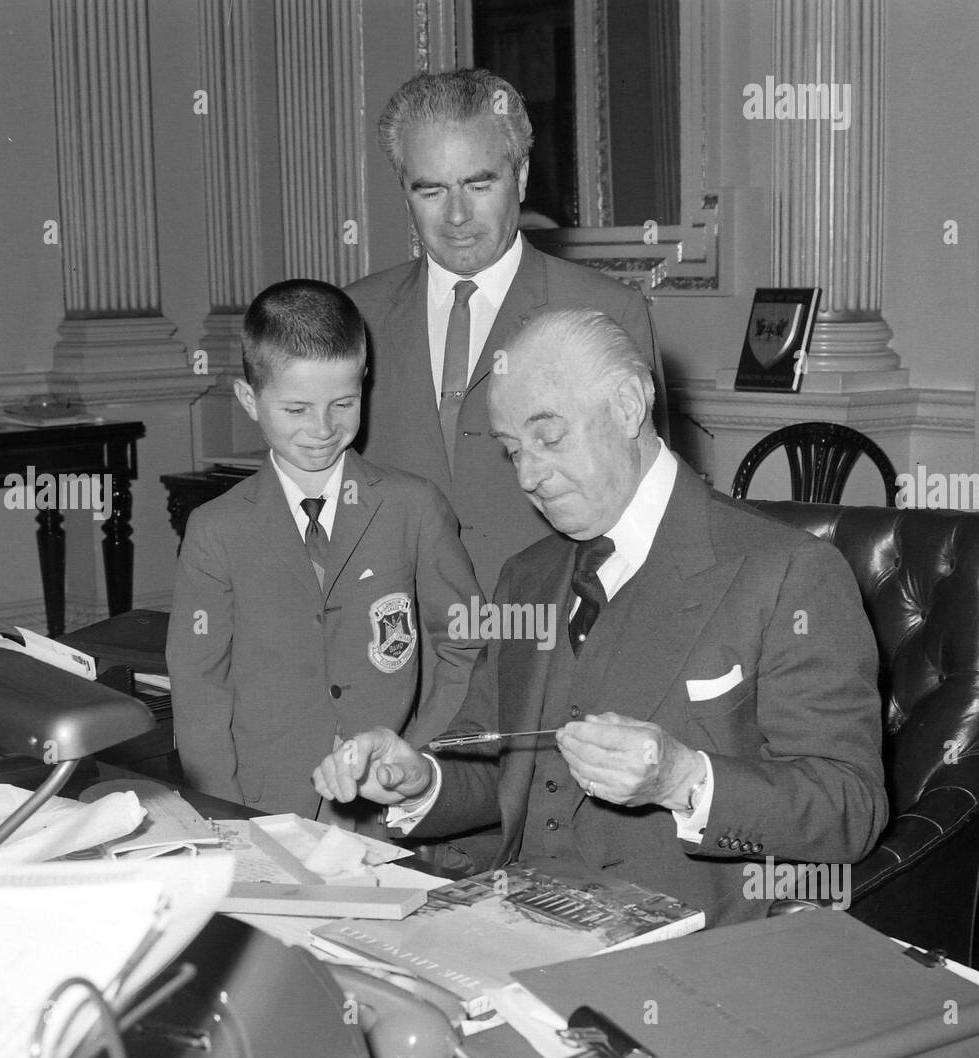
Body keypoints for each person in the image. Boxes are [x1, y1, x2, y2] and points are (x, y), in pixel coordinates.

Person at [312, 309, 888, 926]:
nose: (529, 476)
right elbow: (493, 762)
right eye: (512, 453)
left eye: (550, 438)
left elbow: (849, 809)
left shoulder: (789, 572)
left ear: (628, 404)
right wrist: (418, 779)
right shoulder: (525, 578)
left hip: (691, 948)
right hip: (512, 922)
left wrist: (684, 780)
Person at [348, 68, 669, 599]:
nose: (456, 216)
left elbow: (649, 509)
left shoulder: (609, 311)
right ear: (403, 190)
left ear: (520, 177)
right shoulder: (354, 315)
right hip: (400, 644)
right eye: (430, 190)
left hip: (553, 633)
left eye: (479, 184)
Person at [167, 280, 483, 820]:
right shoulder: (215, 531)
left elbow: (466, 644)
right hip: (264, 810)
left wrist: (417, 757)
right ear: (249, 399)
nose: (322, 429)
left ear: (364, 385)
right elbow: (200, 688)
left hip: (386, 812)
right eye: (296, 409)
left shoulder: (413, 507)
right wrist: (224, 817)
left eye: (343, 403)